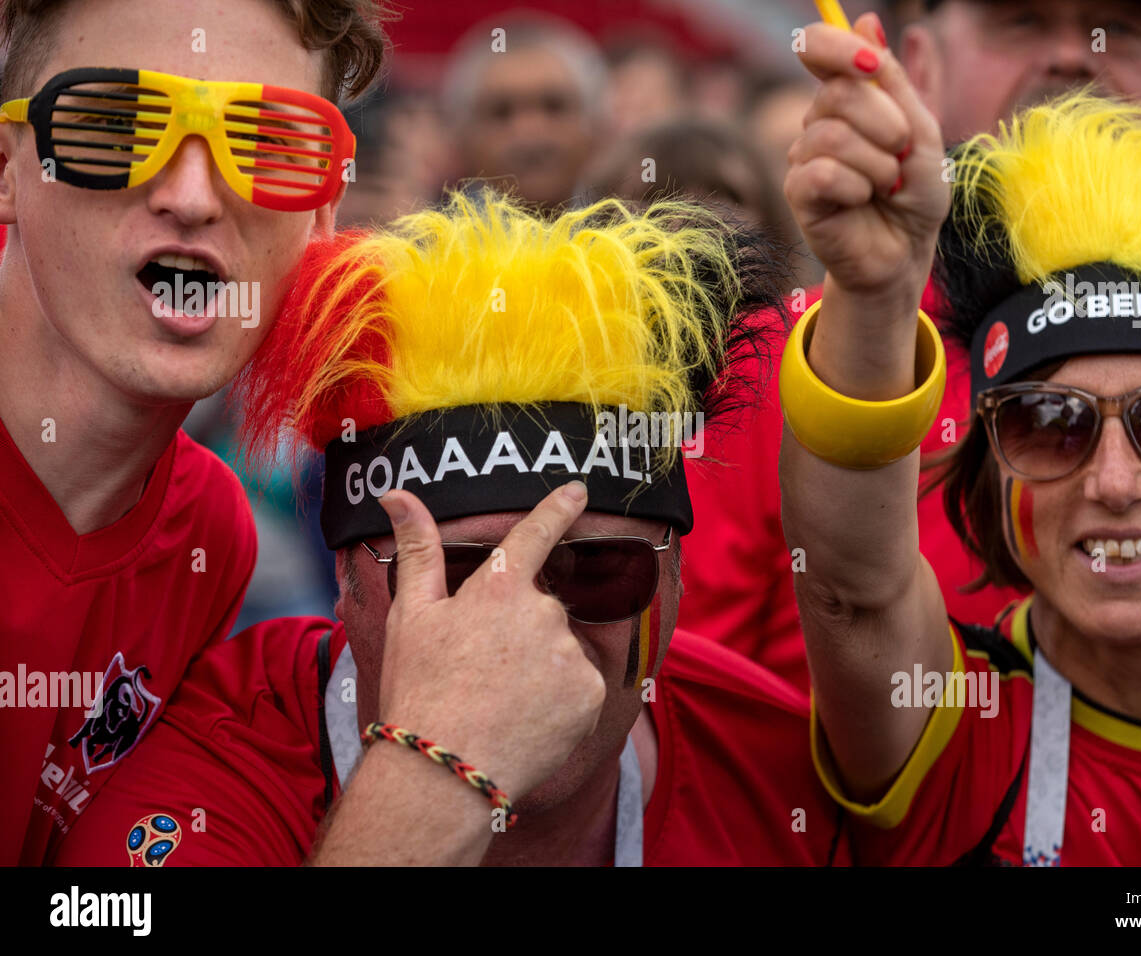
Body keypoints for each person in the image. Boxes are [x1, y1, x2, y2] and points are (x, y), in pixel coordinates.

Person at [54, 192, 850, 866]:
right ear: (347, 582)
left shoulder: (777, 769)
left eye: (598, 569)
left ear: (674, 582)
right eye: (455, 574)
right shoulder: (206, 776)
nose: (521, 630)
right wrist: (443, 770)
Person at [781, 14, 1141, 864]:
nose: (1116, 482)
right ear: (990, 474)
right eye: (1049, 426)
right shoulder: (949, 724)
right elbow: (852, 591)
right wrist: (875, 292)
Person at [678, 1, 1141, 690]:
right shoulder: (787, 357)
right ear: (921, 67)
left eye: (1117, 26)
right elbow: (693, 725)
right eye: (1021, 21)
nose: (1071, 56)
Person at [0, 0, 389, 864]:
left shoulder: (208, 534)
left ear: (323, 214)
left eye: (270, 142)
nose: (189, 197)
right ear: (5, 166)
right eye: (111, 126)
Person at [441, 13, 607, 211]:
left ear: (596, 126)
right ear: (463, 137)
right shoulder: (427, 240)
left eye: (553, 106)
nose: (529, 132)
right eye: (501, 112)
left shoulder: (639, 238)